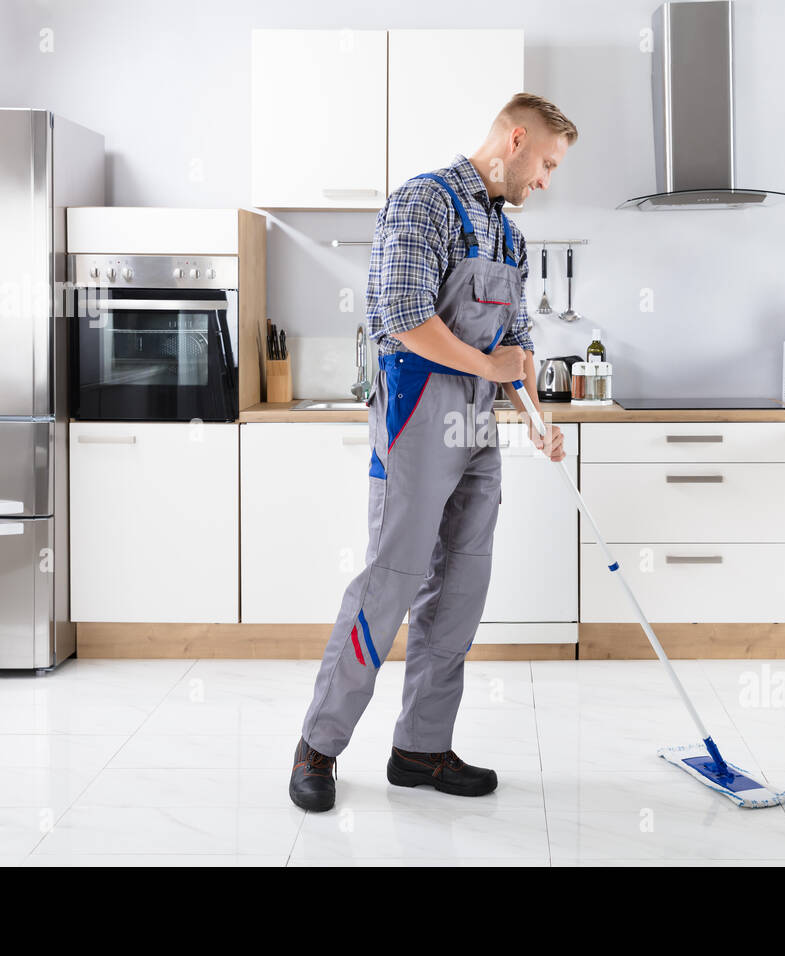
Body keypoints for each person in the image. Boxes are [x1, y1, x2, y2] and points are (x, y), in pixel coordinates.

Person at [289, 93, 578, 811]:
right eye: (545, 163)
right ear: (515, 140)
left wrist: (536, 417)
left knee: (460, 591)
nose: (545, 180)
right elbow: (407, 317)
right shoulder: (426, 201)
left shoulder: (507, 236)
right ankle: (317, 748)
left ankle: (420, 747)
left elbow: (519, 345)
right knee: (391, 580)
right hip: (418, 412)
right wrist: (493, 372)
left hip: (478, 427)